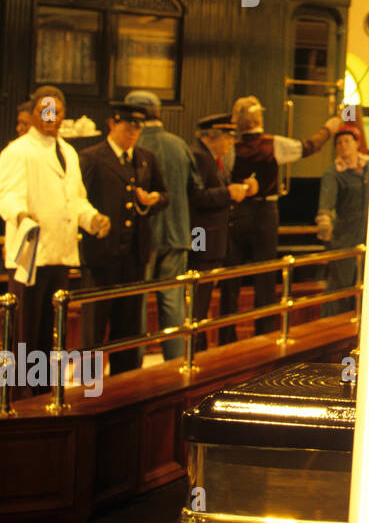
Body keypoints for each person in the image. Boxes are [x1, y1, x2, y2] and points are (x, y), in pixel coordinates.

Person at [0, 88, 109, 395]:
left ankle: (46, 390)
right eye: (46, 111)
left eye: (57, 111)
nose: (52, 117)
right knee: (25, 330)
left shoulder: (68, 152)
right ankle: (18, 395)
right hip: (30, 254)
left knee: (52, 327)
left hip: (60, 252)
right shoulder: (18, 151)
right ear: (33, 114)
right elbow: (6, 194)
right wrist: (20, 214)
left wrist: (92, 219)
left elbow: (75, 199)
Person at [225, 97, 341, 337]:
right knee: (266, 275)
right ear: (259, 119)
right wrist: (328, 128)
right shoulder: (273, 144)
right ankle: (265, 333)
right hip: (265, 214)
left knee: (231, 277)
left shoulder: (230, 148)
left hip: (235, 214)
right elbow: (309, 146)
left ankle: (226, 334)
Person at [78, 101, 169, 375]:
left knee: (129, 326)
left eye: (137, 128)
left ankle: (125, 383)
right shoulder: (92, 157)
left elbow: (164, 195)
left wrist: (153, 200)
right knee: (94, 327)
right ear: (112, 124)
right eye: (128, 126)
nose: (132, 132)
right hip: (101, 255)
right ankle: (88, 386)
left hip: (135, 254)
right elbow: (77, 201)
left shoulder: (145, 158)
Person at [126, 91, 196, 361]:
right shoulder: (179, 145)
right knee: (173, 303)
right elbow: (194, 188)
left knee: (139, 303)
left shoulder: (132, 144)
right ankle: (176, 363)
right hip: (178, 233)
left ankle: (136, 362)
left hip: (143, 237)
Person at [189, 113, 251, 349]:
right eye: (227, 137)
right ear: (212, 136)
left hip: (212, 238)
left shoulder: (213, 159)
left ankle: (200, 343)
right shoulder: (199, 156)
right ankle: (196, 345)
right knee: (199, 295)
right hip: (201, 236)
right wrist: (229, 193)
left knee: (204, 297)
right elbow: (197, 197)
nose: (230, 143)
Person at [315, 127, 369, 317]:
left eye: (347, 141)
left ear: (357, 143)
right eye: (338, 143)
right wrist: (324, 222)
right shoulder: (333, 173)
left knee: (368, 283)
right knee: (341, 286)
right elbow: (326, 203)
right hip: (344, 238)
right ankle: (333, 327)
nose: (343, 145)